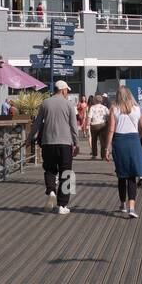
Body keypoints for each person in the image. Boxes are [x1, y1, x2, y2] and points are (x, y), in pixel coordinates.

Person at [32, 80, 78, 214]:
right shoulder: (69, 104)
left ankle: (51, 190)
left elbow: (37, 124)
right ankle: (62, 205)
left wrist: (29, 139)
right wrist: (76, 143)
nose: (67, 93)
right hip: (65, 143)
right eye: (67, 91)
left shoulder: (45, 103)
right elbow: (74, 127)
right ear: (63, 90)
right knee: (66, 173)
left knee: (50, 169)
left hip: (48, 143)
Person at [106, 86, 142, 218]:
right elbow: (141, 127)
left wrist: (107, 147)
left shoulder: (114, 109)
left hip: (119, 142)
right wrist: (138, 137)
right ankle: (132, 207)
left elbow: (111, 130)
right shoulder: (137, 109)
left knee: (121, 174)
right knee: (132, 175)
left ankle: (122, 204)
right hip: (134, 141)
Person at [87, 94, 110, 159]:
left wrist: (88, 125)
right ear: (101, 100)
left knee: (94, 140)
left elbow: (89, 117)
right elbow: (108, 116)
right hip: (103, 125)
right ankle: (103, 156)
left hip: (94, 125)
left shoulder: (92, 107)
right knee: (103, 141)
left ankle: (94, 154)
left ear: (94, 100)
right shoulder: (104, 107)